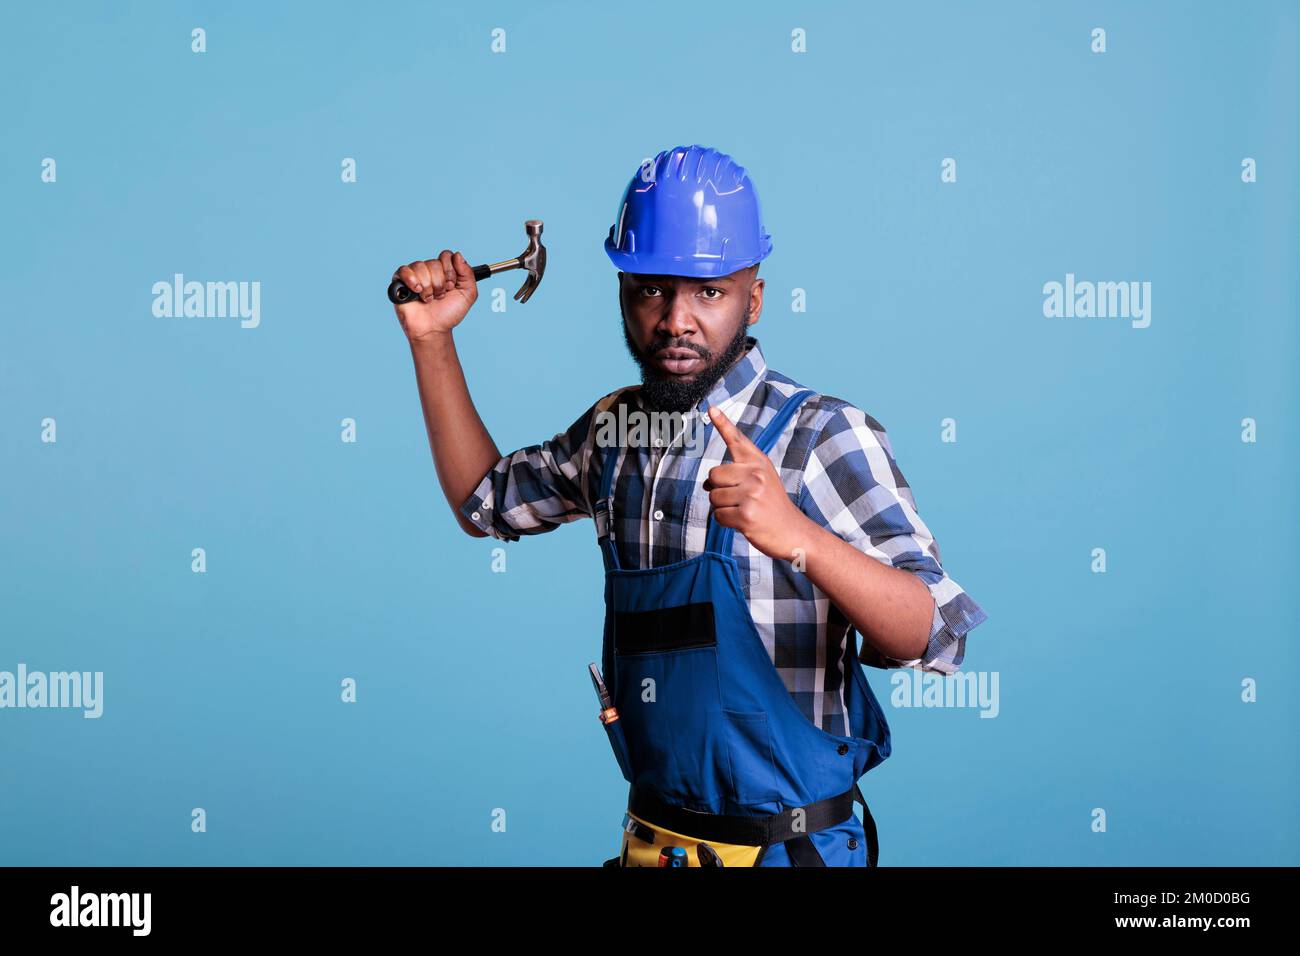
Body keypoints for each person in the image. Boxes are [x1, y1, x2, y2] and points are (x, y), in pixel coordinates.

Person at [391, 144, 988, 867]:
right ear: (622, 293)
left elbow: (934, 631)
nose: (676, 319)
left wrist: (798, 536)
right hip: (653, 849)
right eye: (652, 290)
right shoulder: (611, 434)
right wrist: (432, 340)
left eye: (709, 292)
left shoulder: (821, 436)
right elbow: (482, 502)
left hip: (789, 856)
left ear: (754, 296)